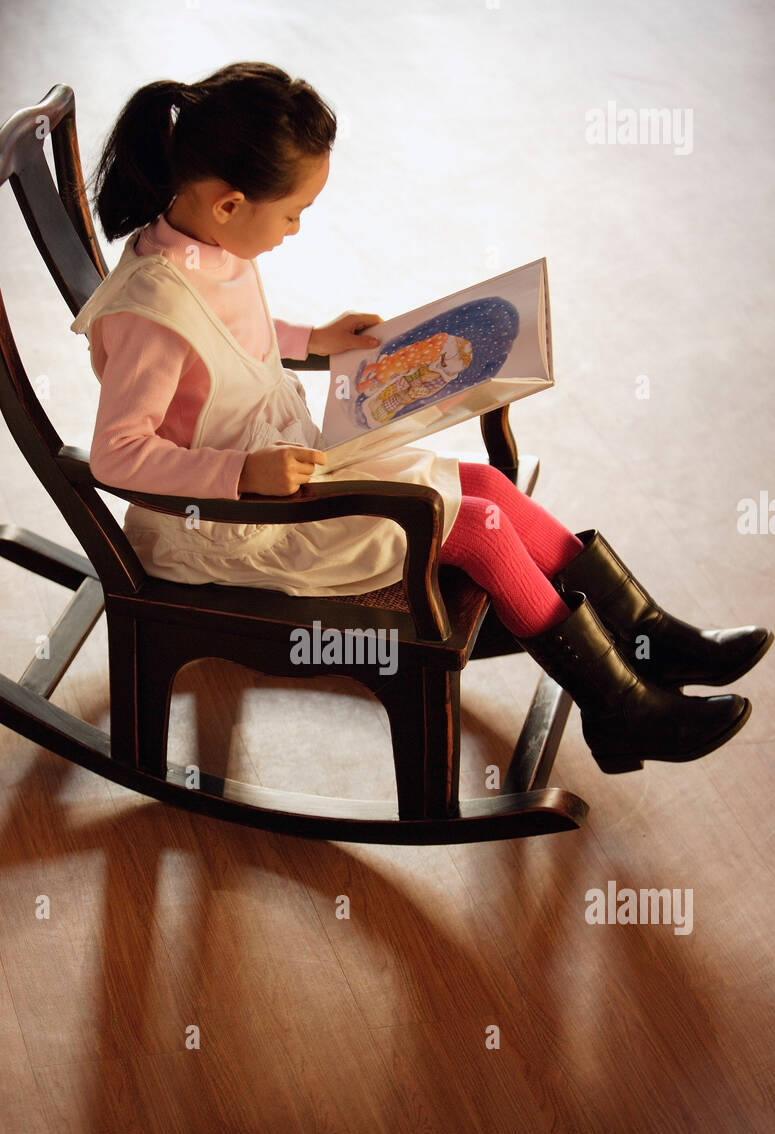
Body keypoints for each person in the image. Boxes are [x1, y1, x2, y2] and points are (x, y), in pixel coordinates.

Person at [72, 61, 771, 776]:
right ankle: (617, 709)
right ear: (228, 203)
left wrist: (310, 340)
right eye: (292, 213)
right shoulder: (151, 313)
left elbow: (226, 339)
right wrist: (240, 472)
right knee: (476, 525)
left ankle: (646, 635)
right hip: (226, 524)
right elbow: (118, 455)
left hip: (288, 472)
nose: (296, 228)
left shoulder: (208, 246)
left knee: (488, 489)